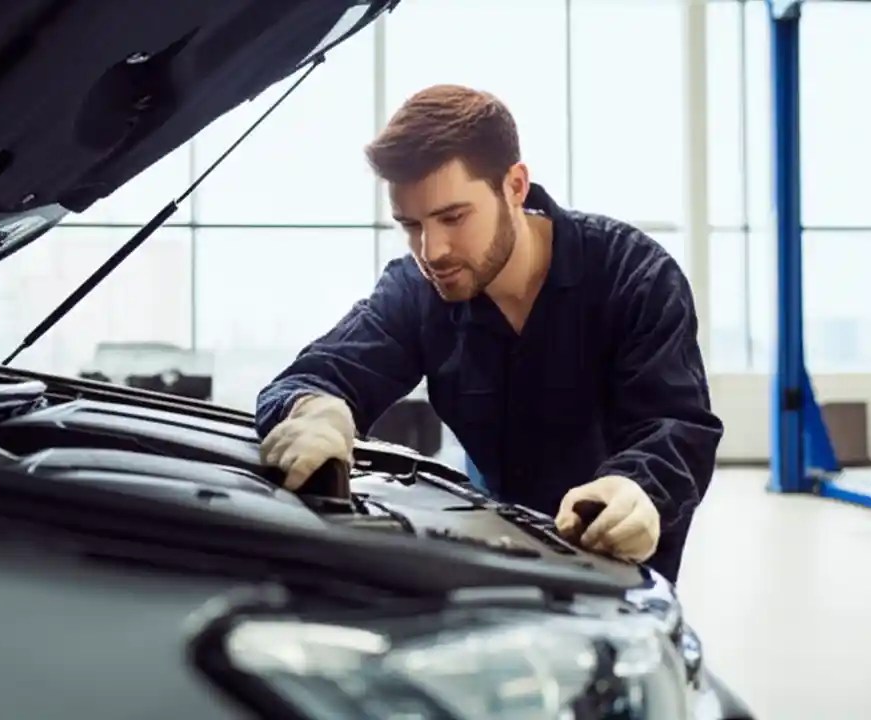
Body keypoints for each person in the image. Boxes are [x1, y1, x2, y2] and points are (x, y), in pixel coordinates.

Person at [254, 84, 723, 583]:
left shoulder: (634, 275)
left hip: (614, 578)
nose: (432, 250)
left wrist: (638, 490)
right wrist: (317, 412)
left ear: (515, 186)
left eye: (453, 217)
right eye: (410, 224)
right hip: (494, 570)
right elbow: (318, 375)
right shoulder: (417, 290)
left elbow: (675, 425)